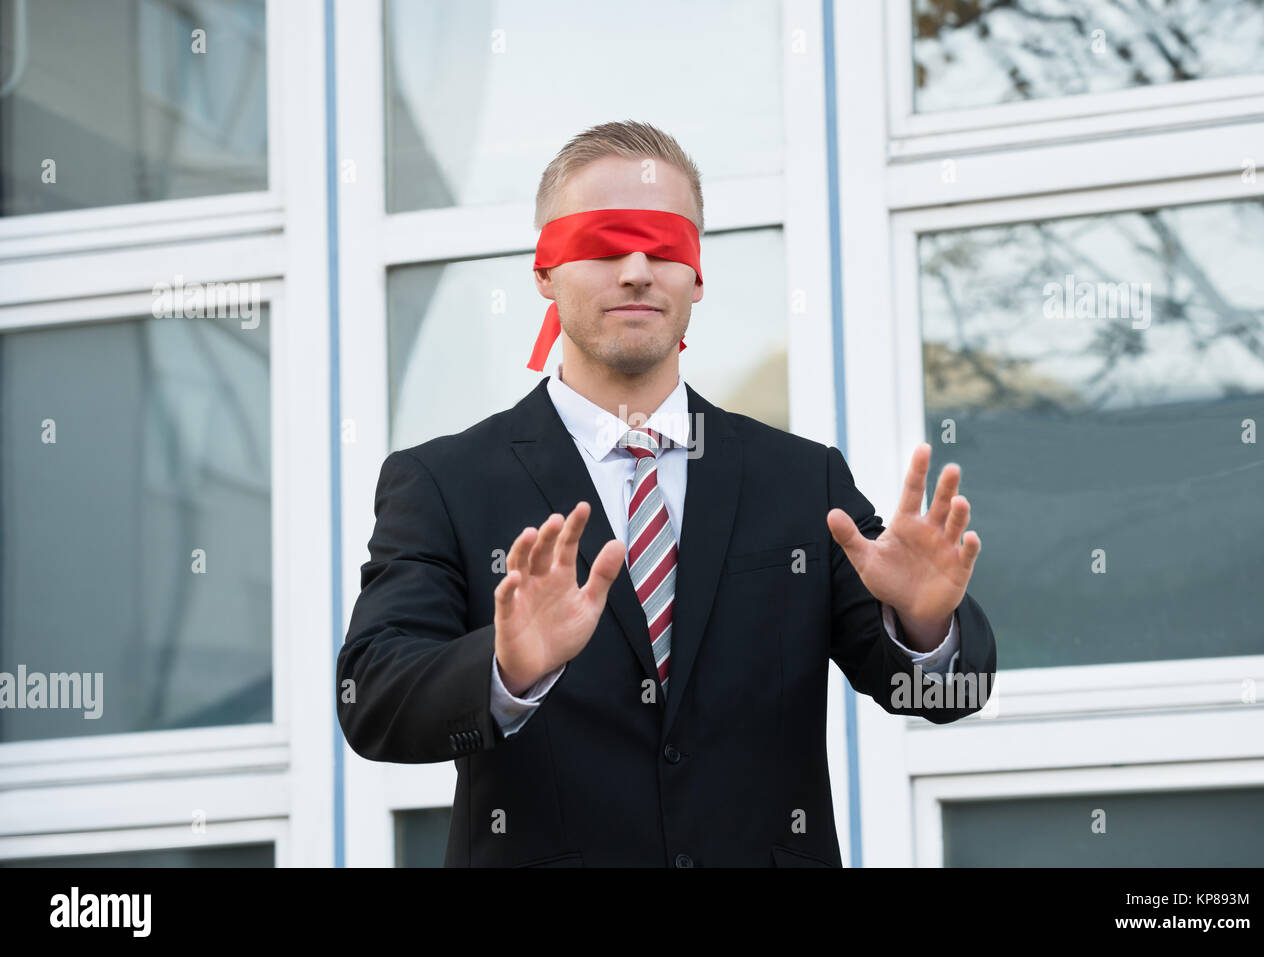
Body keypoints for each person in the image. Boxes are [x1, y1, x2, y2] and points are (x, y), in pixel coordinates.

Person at [337, 120, 997, 867]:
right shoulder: (444, 483)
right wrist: (504, 669)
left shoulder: (800, 482)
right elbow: (372, 700)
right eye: (603, 241)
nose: (638, 269)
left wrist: (924, 624)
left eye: (666, 243)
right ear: (544, 272)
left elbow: (949, 695)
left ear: (698, 275)